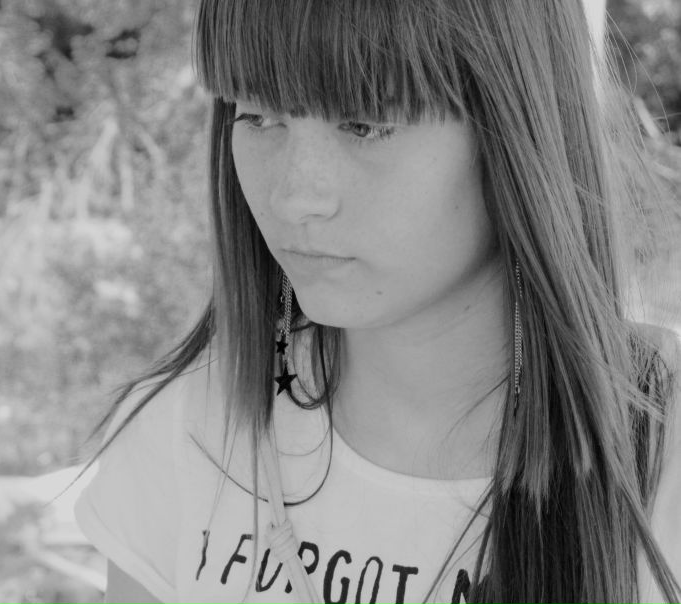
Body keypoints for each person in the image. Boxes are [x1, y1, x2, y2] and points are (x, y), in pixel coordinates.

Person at [71, 0, 681, 602]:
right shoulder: (187, 427)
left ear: (519, 124)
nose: (294, 198)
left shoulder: (661, 447)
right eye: (258, 116)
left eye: (365, 125)